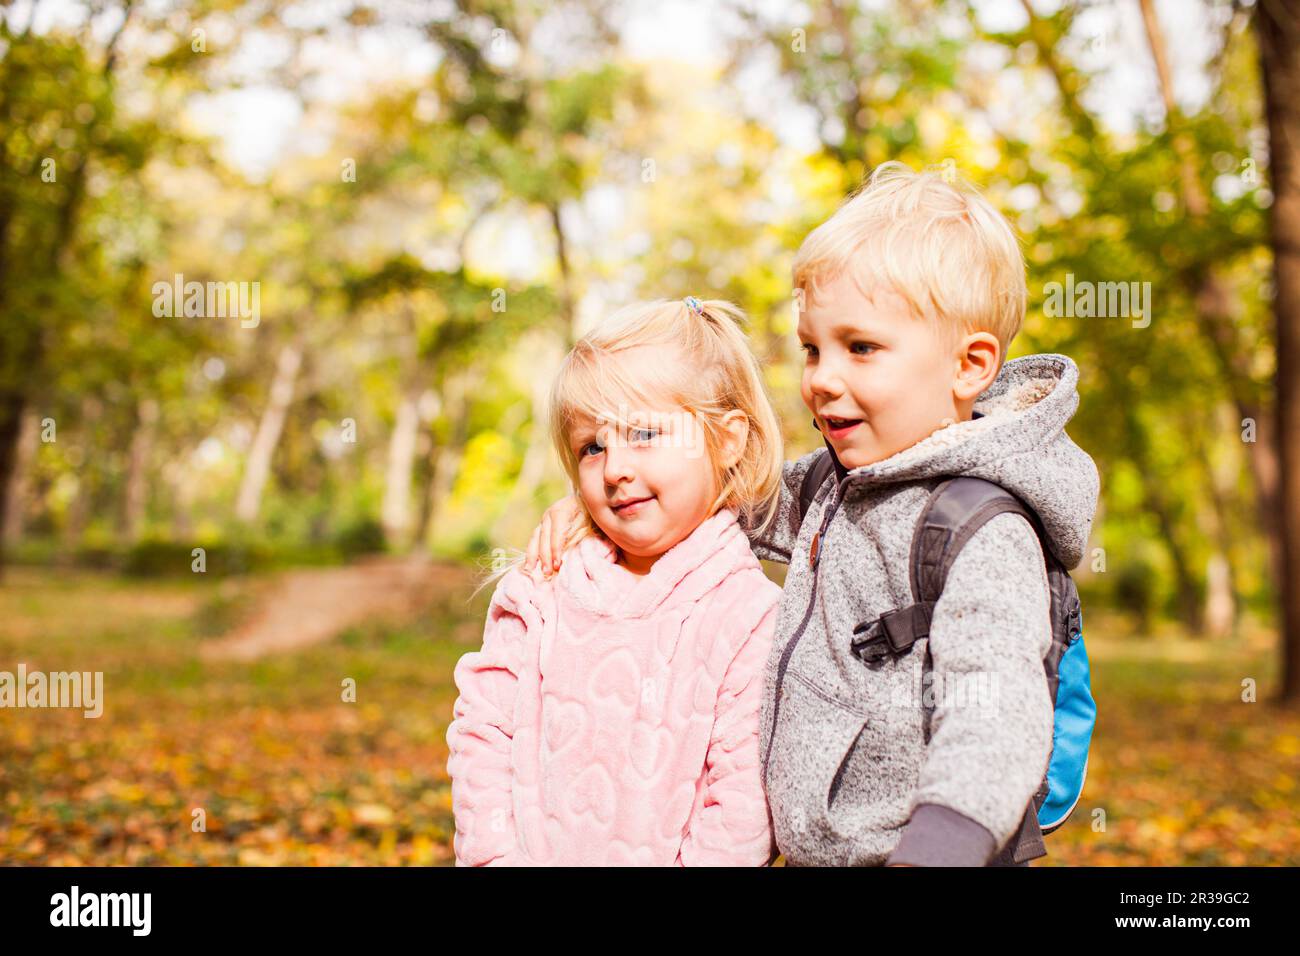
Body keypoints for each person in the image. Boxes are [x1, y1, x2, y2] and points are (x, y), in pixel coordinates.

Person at [528, 163, 1100, 866]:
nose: (821, 378)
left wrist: (944, 845)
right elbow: (708, 497)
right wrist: (590, 509)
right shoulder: (833, 484)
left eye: (860, 348)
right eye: (811, 348)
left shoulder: (981, 530)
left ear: (969, 365)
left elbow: (996, 708)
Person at [447, 296, 786, 865]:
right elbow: (483, 736)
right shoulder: (542, 588)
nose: (616, 468)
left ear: (726, 439)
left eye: (645, 434)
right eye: (593, 447)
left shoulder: (750, 614)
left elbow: (742, 803)